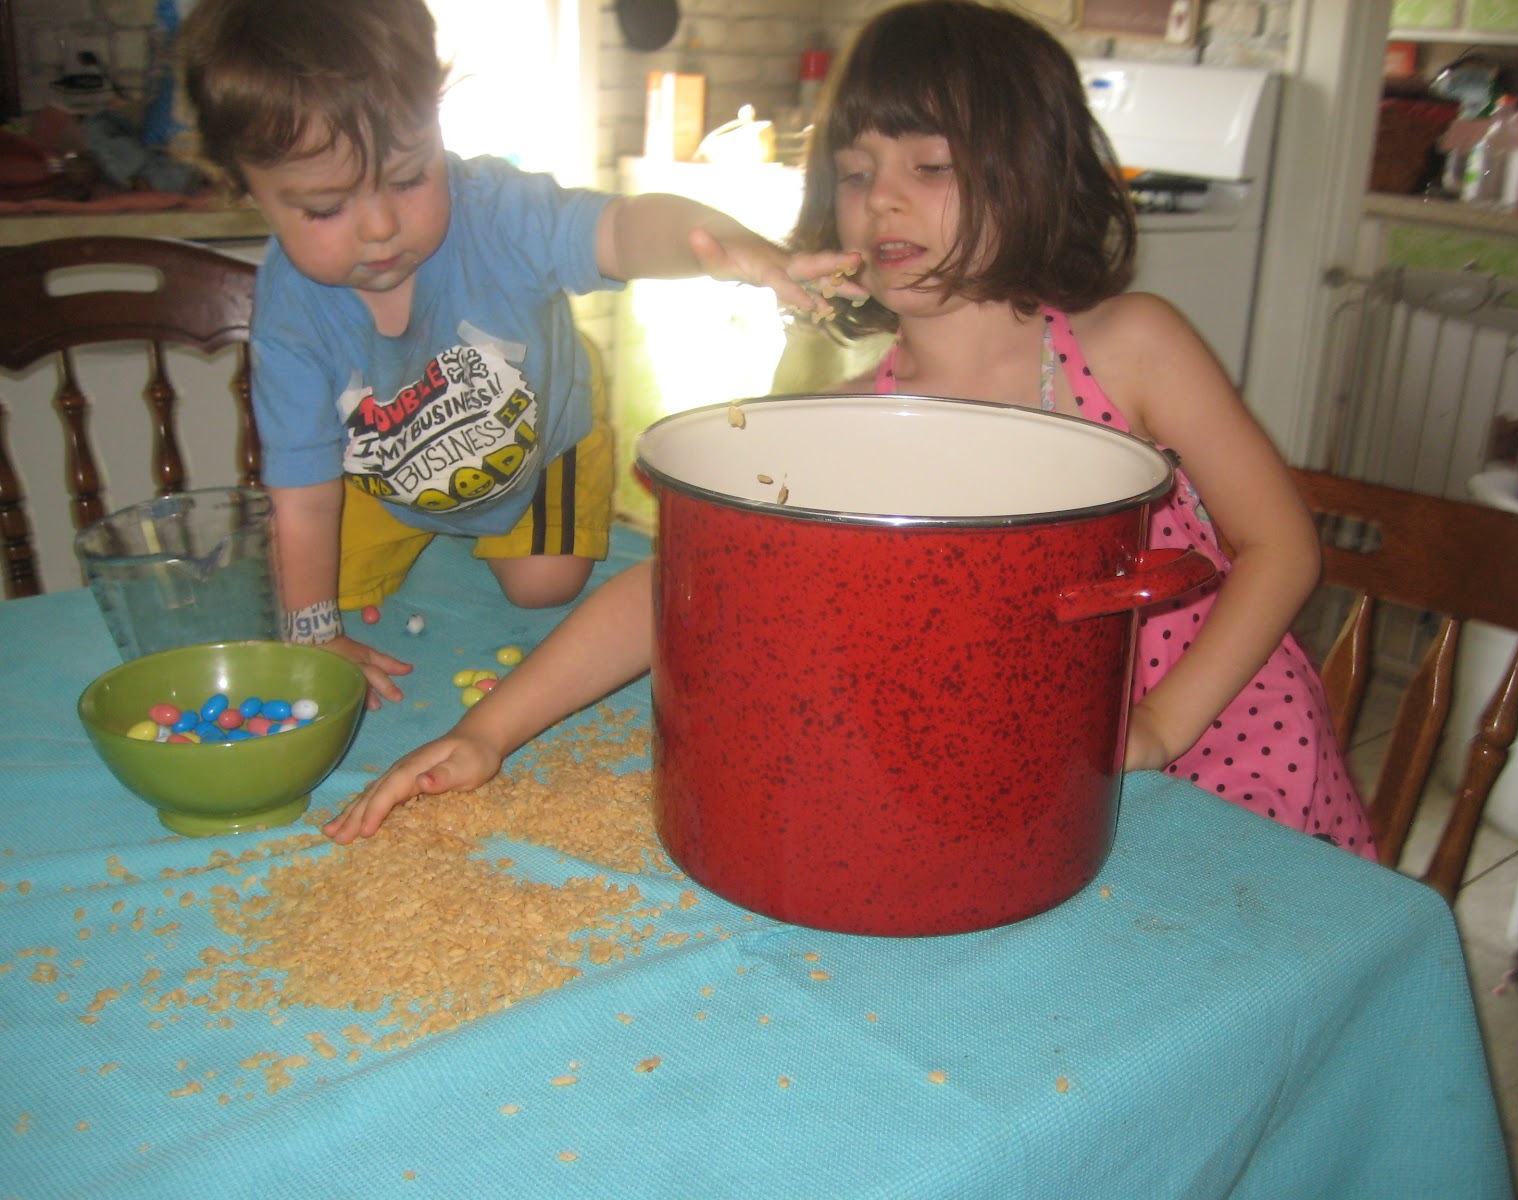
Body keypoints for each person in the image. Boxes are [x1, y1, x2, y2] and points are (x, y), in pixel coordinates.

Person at [329, 0, 1375, 861]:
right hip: (1036, 789)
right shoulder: (851, 419)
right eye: (859, 169)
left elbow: (1280, 548)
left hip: (1225, 753)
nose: (882, 202)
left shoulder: (1128, 347)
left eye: (930, 167)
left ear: (1032, 168)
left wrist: (1153, 727)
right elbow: (683, 582)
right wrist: (486, 732)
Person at [179, 0, 857, 710]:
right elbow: (304, 497)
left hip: (540, 440)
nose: (380, 228)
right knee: (310, 597)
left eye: (410, 177)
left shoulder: (496, 209)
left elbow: (621, 229)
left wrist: (713, 238)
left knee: (544, 587)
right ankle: (425, 523)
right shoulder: (289, 315)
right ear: (244, 190)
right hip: (385, 468)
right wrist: (314, 634)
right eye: (325, 208)